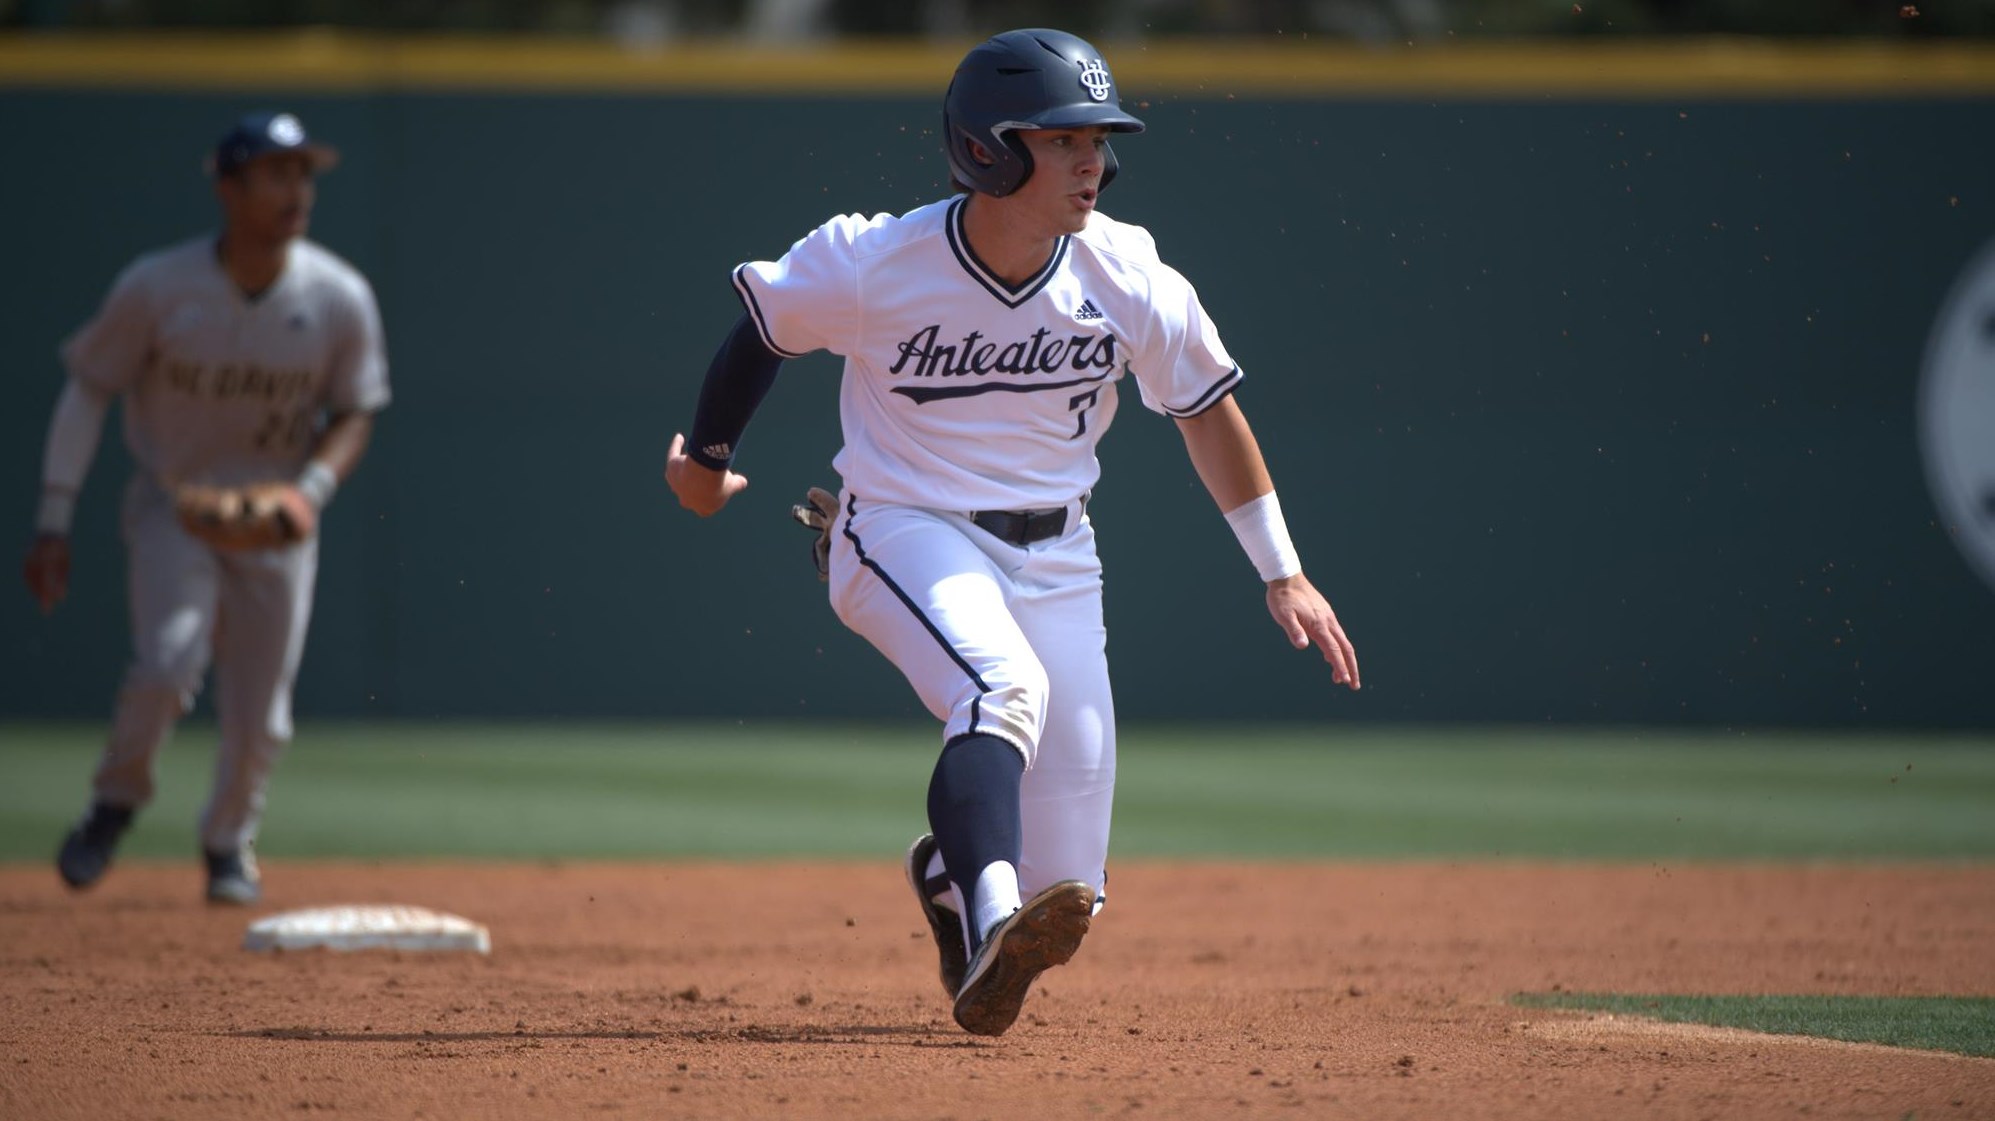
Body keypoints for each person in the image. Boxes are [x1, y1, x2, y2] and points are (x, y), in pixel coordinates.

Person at [663, 28, 1359, 1036]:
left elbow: (1206, 408)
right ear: (990, 149)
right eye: (1065, 138)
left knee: (1070, 887)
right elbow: (763, 329)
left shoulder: (1126, 273)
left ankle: (952, 876)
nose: (1095, 162)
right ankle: (989, 919)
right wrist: (705, 459)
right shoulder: (878, 259)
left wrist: (1282, 571)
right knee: (1001, 689)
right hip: (901, 526)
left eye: (1100, 140)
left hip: (1061, 553)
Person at [22, 111, 391, 905]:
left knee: (264, 720)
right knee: (167, 662)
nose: (296, 189)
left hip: (278, 513)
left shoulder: (337, 294)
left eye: (304, 174)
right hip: (173, 506)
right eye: (275, 172)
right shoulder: (158, 286)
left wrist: (309, 492)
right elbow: (90, 387)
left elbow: (357, 411)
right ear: (228, 187)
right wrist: (54, 517)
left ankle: (227, 841)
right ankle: (117, 800)